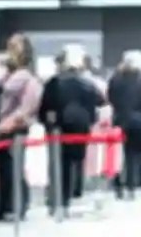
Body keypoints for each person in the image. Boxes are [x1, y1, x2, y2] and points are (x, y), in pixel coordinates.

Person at [38, 46, 101, 214]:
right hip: (81, 128)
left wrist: (46, 123)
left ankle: (59, 199)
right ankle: (75, 191)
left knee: (59, 165)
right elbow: (97, 104)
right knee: (77, 161)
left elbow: (44, 107)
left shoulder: (54, 82)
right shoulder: (88, 84)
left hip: (59, 128)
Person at [0, 33, 40, 223]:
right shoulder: (6, 75)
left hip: (15, 128)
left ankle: (19, 205)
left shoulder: (27, 78)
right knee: (2, 169)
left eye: (15, 47)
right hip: (1, 128)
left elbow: (27, 107)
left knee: (14, 168)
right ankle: (3, 206)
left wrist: (11, 122)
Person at [107, 51, 141, 199]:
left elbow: (111, 98)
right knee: (138, 155)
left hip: (121, 122)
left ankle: (121, 185)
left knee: (122, 156)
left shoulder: (116, 81)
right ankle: (137, 183)